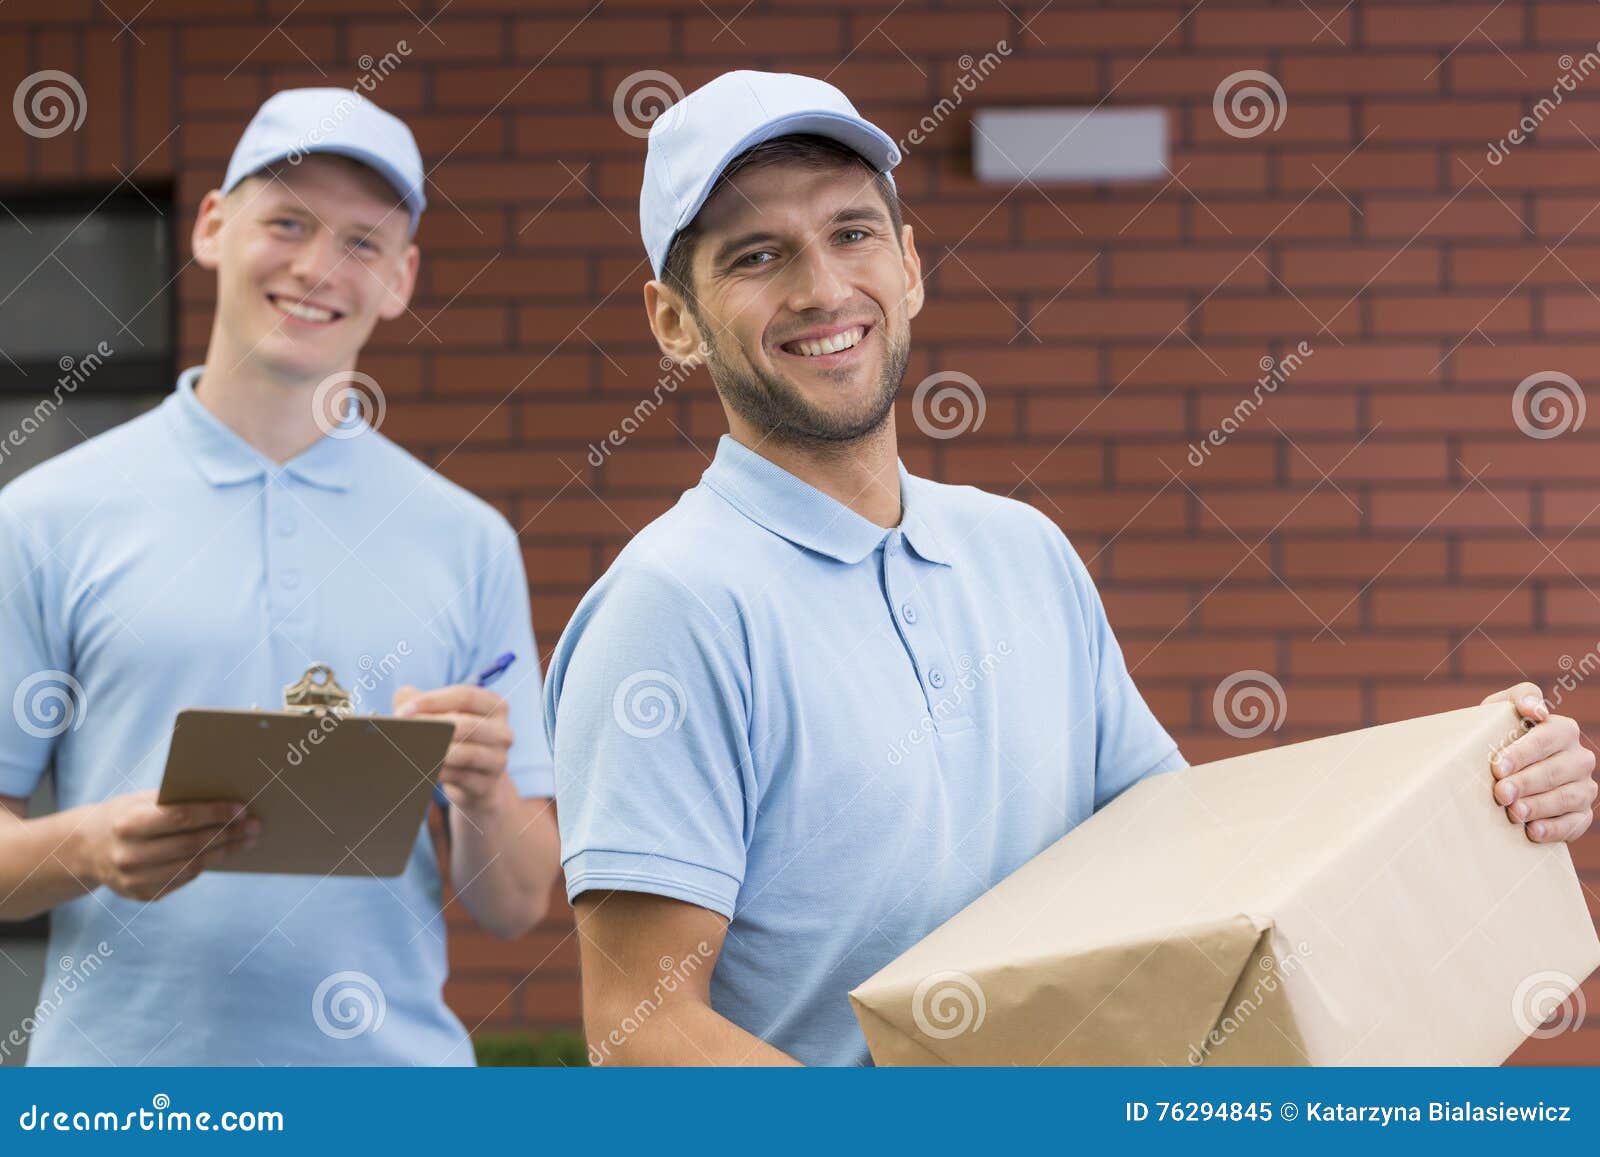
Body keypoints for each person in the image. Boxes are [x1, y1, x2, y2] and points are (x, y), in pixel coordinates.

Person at [542, 70, 1599, 1067]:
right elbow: (642, 1031)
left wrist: (1479, 788)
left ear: (908, 266)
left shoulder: (1022, 553)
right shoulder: (669, 609)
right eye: (756, 256)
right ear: (673, 321)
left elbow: (1187, 872)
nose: (824, 288)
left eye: (850, 232)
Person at [0, 88, 559, 1065]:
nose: (315, 268)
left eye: (360, 242)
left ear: (400, 279)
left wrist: (483, 794)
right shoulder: (45, 515)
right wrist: (86, 845)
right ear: (214, 226)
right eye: (288, 222)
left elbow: (516, 906)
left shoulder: (467, 538)